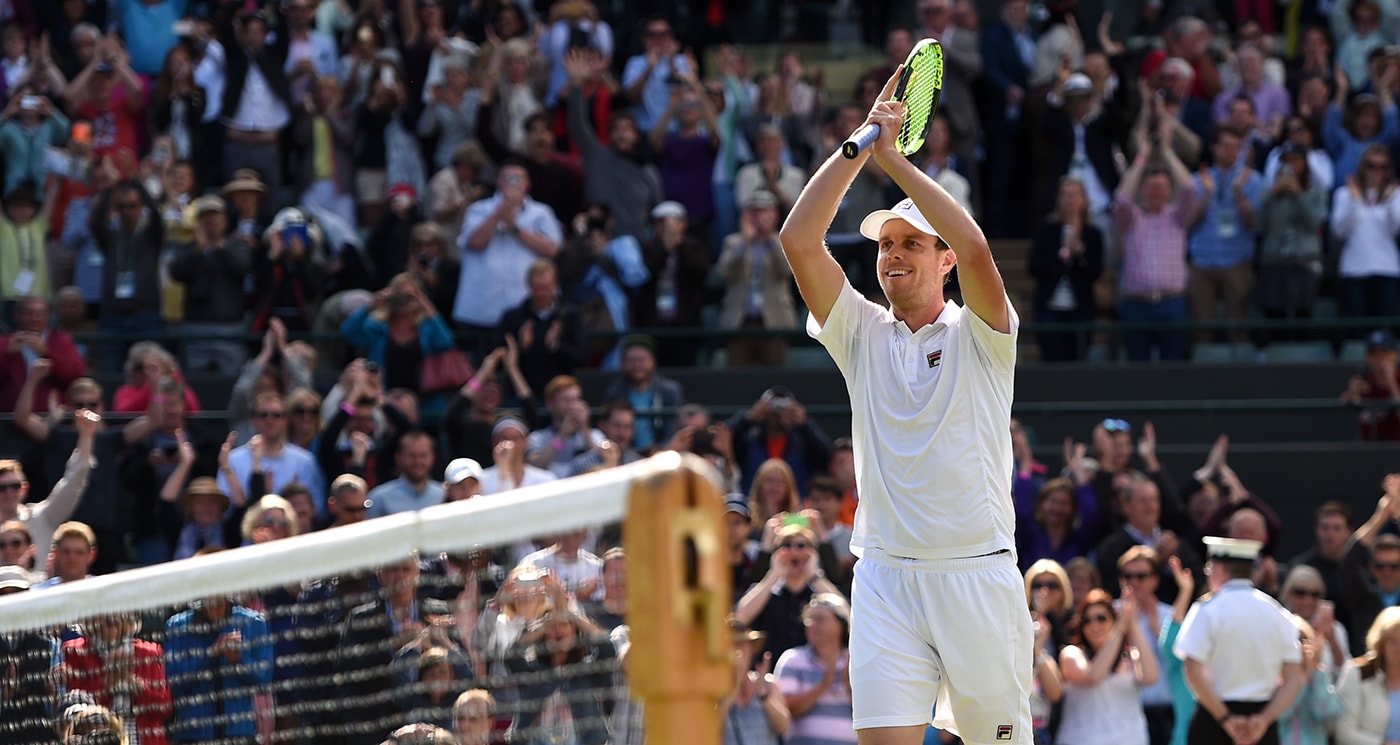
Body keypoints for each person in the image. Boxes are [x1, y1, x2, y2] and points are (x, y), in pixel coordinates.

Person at [779, 68, 1029, 745]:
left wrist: (897, 163)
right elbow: (798, 240)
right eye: (886, 243)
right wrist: (861, 144)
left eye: (911, 243)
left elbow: (977, 245)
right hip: (886, 577)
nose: (892, 254)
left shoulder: (981, 331)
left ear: (942, 260)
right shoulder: (860, 331)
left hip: (978, 573)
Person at [1173, 537, 1306, 745]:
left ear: (1220, 570)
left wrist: (1226, 719)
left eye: (1209, 568)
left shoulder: (1207, 610)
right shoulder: (1277, 612)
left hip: (1212, 719)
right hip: (1260, 725)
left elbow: (1192, 671)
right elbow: (1294, 679)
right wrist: (1263, 720)